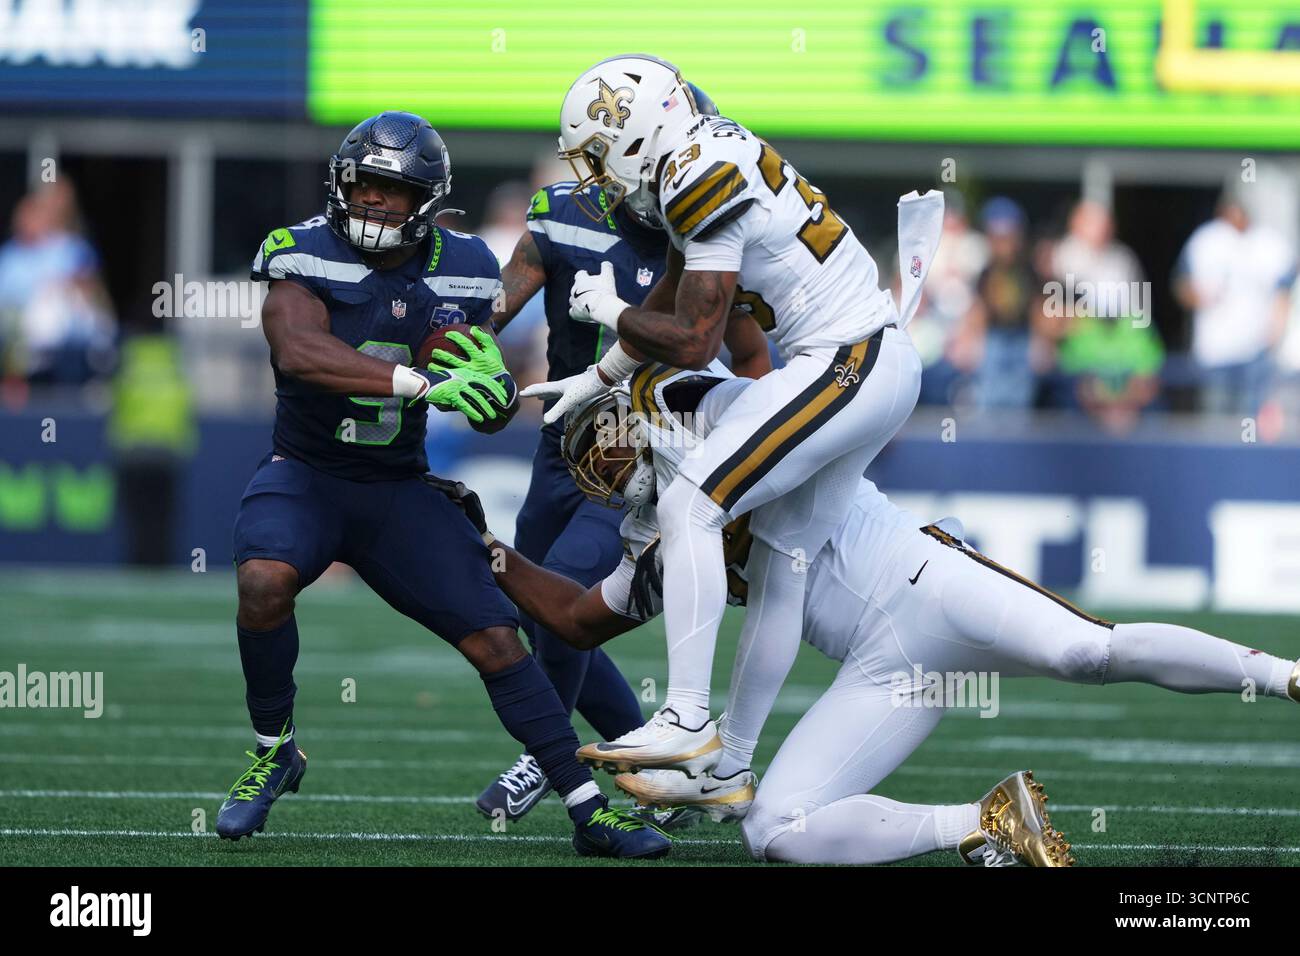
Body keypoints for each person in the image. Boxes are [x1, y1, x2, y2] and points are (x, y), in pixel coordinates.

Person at [434, 366, 1300, 865]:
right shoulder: (663, 534)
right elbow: (583, 621)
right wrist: (493, 555)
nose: (608, 469)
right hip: (882, 667)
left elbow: (753, 364)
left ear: (643, 420)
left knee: (1086, 653)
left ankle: (1281, 674)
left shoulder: (730, 426)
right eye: (591, 463)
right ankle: (984, 822)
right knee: (778, 831)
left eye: (610, 443)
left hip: (926, 578)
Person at [218, 110, 670, 859]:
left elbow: (480, 401)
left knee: (499, 639)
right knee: (263, 579)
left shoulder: (465, 265)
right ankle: (274, 751)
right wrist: (418, 382)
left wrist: (485, 395)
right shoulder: (300, 251)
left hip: (399, 489)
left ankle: (590, 810)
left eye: (392, 192)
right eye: (363, 186)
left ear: (424, 200)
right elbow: (298, 350)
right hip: (306, 476)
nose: (373, 203)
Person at [523, 55, 937, 791]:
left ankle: (685, 717)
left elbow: (695, 343)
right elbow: (676, 304)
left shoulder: (693, 173)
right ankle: (731, 768)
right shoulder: (706, 152)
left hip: (849, 360)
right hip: (865, 361)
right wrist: (596, 377)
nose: (598, 178)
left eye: (598, 157)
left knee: (690, 504)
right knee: (781, 563)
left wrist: (609, 311)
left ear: (634, 134)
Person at [475, 81, 770, 821]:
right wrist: (455, 367)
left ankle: (544, 755)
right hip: (565, 440)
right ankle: (664, 772)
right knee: (547, 614)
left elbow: (752, 359)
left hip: (645, 459)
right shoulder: (561, 218)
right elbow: (487, 319)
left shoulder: (708, 231)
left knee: (570, 592)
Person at [1174, 192, 1294, 417]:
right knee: (1217, 421)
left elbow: (1285, 291)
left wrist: (1276, 331)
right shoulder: (1205, 241)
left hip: (1257, 351)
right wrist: (1201, 297)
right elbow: (1181, 286)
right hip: (1216, 351)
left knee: (1250, 423)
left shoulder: (1268, 243)